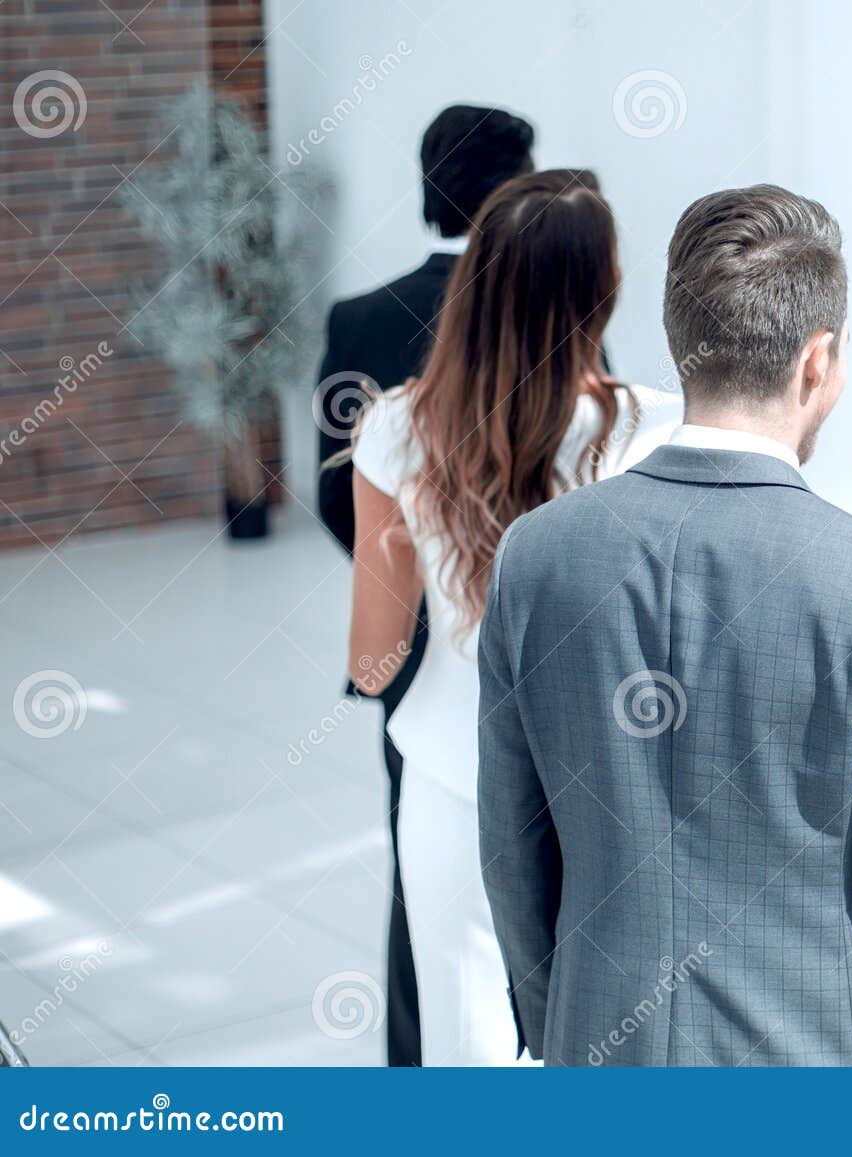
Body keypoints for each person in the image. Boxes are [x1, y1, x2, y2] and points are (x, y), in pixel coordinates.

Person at [478, 184, 852, 1066]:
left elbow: (512, 843)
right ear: (817, 360)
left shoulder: (535, 554)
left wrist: (561, 1022)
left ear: (680, 338)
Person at [345, 171, 681, 1065]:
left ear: (473, 280)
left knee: (467, 1051)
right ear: (605, 289)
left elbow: (375, 659)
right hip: (618, 785)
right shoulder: (657, 431)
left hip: (454, 775)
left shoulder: (392, 431)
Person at [313, 103, 534, 1067]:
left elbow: (338, 495)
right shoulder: (548, 306)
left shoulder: (360, 319)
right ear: (514, 190)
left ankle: (419, 1075)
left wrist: (409, 582)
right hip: (540, 649)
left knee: (424, 877)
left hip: (412, 656)